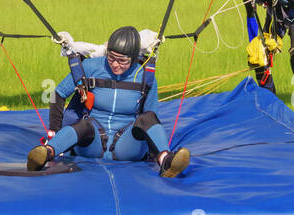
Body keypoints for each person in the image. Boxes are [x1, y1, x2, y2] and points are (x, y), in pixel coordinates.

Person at [26, 25, 190, 176]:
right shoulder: (91, 66)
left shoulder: (146, 76)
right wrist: (54, 130)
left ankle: (166, 161)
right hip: (92, 142)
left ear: (133, 59)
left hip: (127, 146)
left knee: (147, 118)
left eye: (122, 61)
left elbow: (151, 117)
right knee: (84, 125)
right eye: (111, 58)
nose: (115, 65)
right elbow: (58, 93)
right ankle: (46, 153)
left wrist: (154, 150)